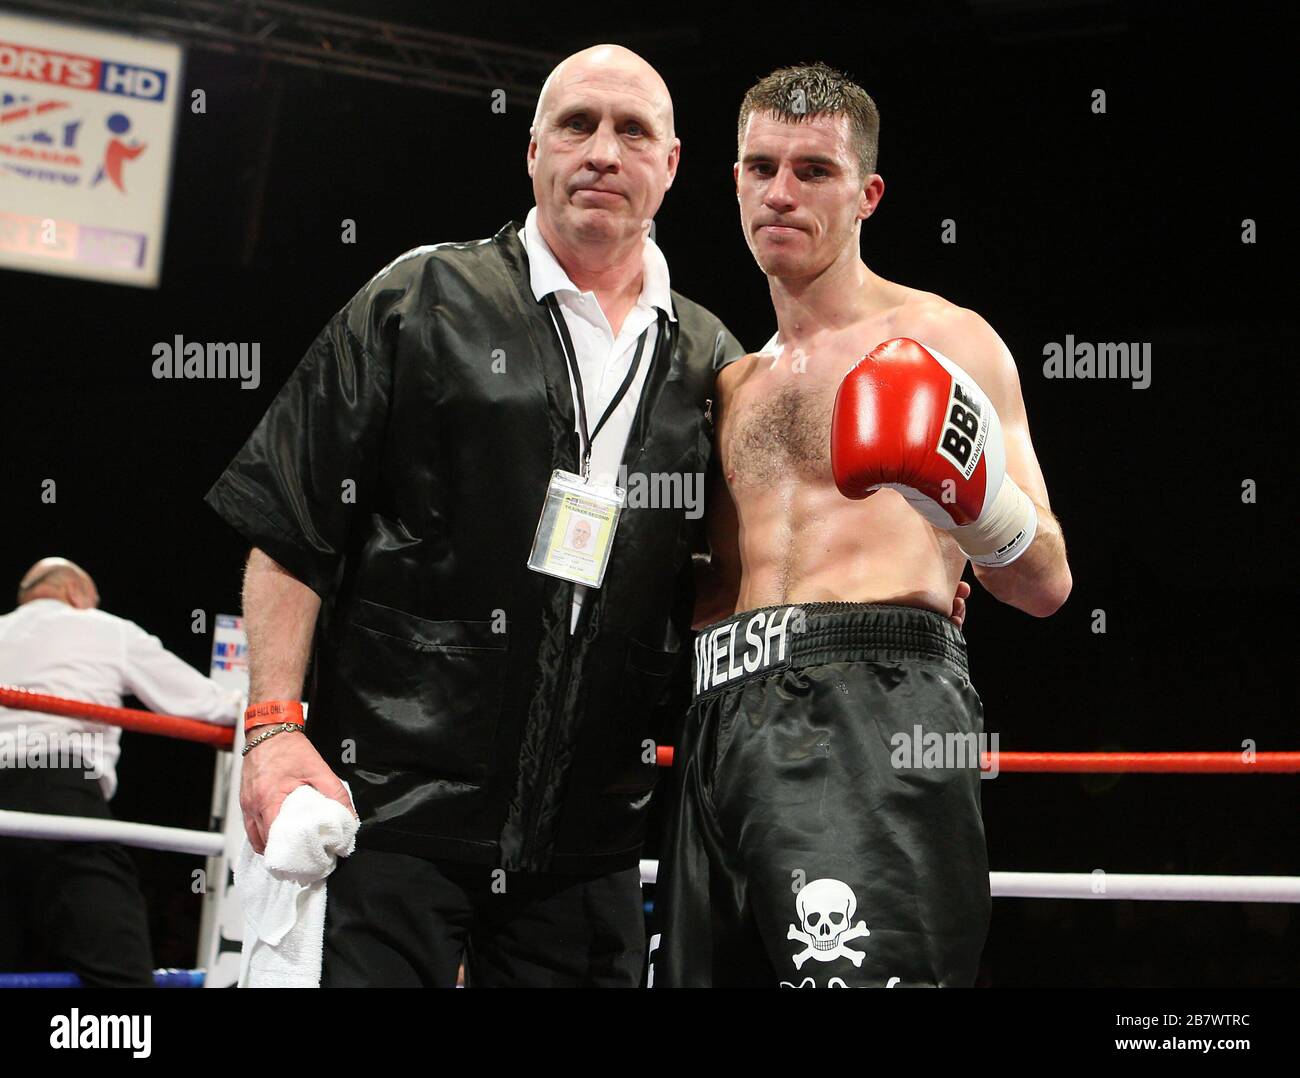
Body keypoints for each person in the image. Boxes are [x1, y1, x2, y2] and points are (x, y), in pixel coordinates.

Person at [205, 45, 743, 987]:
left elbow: (736, 576)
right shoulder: (419, 298)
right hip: (390, 808)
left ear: (672, 163)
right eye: (578, 124)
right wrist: (273, 729)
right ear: (532, 149)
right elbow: (290, 523)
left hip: (591, 834)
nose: (603, 152)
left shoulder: (712, 360)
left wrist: (901, 584)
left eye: (633, 132)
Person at [652, 62, 1072, 988]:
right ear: (731, 182)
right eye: (760, 167)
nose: (781, 191)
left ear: (867, 193)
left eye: (814, 171)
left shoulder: (946, 341)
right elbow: (705, 592)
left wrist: (969, 499)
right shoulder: (726, 387)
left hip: (876, 708)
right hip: (721, 715)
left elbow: (1045, 582)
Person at [0, 557, 240, 987]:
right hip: (57, 793)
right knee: (121, 977)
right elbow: (208, 705)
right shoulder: (102, 627)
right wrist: (272, 711)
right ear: (76, 593)